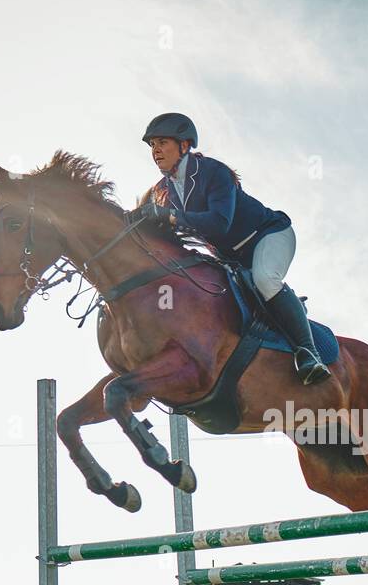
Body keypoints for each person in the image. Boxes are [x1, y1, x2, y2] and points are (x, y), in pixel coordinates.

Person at [136, 112, 331, 385]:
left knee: (265, 279)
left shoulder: (213, 172)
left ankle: (308, 352)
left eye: (162, 142)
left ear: (184, 145)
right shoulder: (164, 189)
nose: (155, 150)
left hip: (267, 234)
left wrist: (168, 216)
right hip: (231, 257)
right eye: (152, 145)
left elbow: (218, 224)